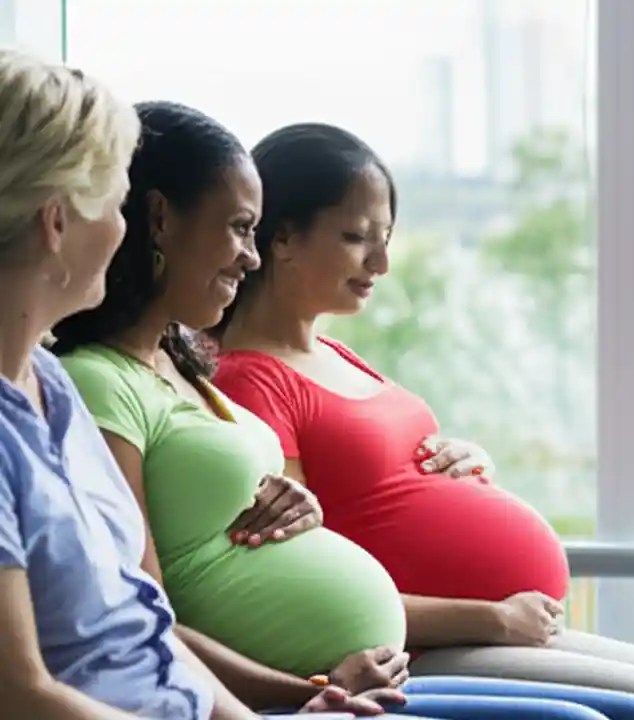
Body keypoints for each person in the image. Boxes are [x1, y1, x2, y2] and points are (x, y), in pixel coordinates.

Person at [49, 98, 634, 720]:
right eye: (243, 229)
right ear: (160, 221)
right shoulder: (109, 382)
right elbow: (144, 612)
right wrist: (306, 691)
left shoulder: (184, 368)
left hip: (356, 668)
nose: (252, 254)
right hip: (312, 678)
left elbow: (267, 516)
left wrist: (314, 505)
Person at [210, 121, 634, 720]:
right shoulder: (249, 380)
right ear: (283, 237)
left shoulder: (334, 354)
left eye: (387, 237)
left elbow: (385, 482)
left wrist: (469, 464)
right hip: (421, 645)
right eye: (356, 236)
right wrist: (492, 617)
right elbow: (302, 582)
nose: (382, 262)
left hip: (500, 625)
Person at [0, 46, 410, 719]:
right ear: (56, 220)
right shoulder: (81, 391)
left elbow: (146, 624)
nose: (124, 228)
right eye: (115, 203)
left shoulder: (52, 389)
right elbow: (20, 695)